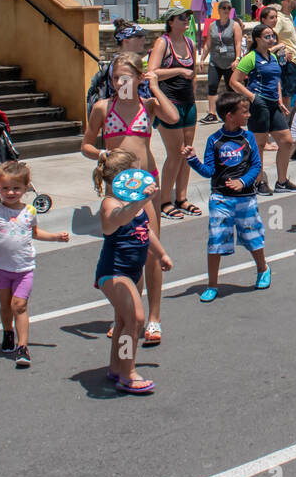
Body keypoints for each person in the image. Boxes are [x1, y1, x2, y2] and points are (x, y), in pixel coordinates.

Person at [81, 52, 179, 344]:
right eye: (115, 78)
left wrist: (156, 86)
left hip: (146, 183)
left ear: (138, 78)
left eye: (126, 78)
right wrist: (102, 154)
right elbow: (85, 144)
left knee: (149, 248)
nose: (120, 83)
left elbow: (173, 117)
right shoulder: (102, 108)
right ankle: (124, 316)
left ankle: (154, 319)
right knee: (124, 252)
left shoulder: (147, 105)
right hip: (117, 188)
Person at [92, 149, 171, 394]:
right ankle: (128, 373)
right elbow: (120, 218)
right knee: (136, 320)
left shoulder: (133, 203)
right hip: (114, 272)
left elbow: (146, 232)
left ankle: (117, 367)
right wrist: (141, 201)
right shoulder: (110, 204)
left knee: (124, 320)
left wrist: (161, 254)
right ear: (121, 177)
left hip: (133, 271)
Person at [183, 92, 270, 303]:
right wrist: (192, 159)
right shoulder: (215, 140)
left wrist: (243, 182)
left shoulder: (248, 138)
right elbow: (209, 171)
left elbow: (256, 165)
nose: (248, 115)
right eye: (245, 111)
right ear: (230, 116)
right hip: (220, 199)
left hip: (246, 199)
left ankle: (263, 268)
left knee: (252, 236)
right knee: (216, 240)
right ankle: (212, 284)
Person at [0, 160, 69, 368]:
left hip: (24, 268)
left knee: (19, 306)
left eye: (16, 188)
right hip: (2, 269)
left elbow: (35, 233)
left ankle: (23, 347)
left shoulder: (29, 211)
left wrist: (56, 237)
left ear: (25, 188)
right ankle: (8, 332)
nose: (10, 192)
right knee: (6, 306)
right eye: (5, 188)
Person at [232, 20, 296, 195]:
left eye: (272, 36)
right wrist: (252, 97)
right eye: (267, 36)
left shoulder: (273, 57)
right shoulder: (251, 57)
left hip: (273, 104)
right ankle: (258, 182)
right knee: (259, 144)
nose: (271, 39)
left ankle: (282, 181)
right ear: (257, 39)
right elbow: (234, 81)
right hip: (258, 104)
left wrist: (279, 100)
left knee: (286, 141)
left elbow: (276, 79)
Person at [149, 6, 201, 220]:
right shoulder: (163, 42)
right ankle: (164, 201)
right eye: (182, 18)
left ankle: (182, 197)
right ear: (170, 21)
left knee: (187, 152)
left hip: (188, 103)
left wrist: (194, 95)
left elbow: (194, 73)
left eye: (188, 17)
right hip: (169, 103)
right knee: (175, 153)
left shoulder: (190, 43)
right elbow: (151, 73)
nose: (186, 21)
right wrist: (179, 70)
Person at [88, 21, 151, 116]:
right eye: (138, 37)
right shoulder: (120, 66)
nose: (143, 39)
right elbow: (125, 96)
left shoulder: (131, 62)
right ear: (125, 41)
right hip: (127, 119)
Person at [199, 4, 242, 124]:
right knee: (212, 85)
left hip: (230, 61)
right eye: (224, 8)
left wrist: (237, 58)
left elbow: (238, 43)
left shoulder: (234, 25)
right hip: (215, 60)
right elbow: (208, 43)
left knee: (231, 87)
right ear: (219, 11)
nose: (227, 10)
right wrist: (203, 58)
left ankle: (233, 111)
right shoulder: (213, 25)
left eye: (229, 8)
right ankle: (212, 113)